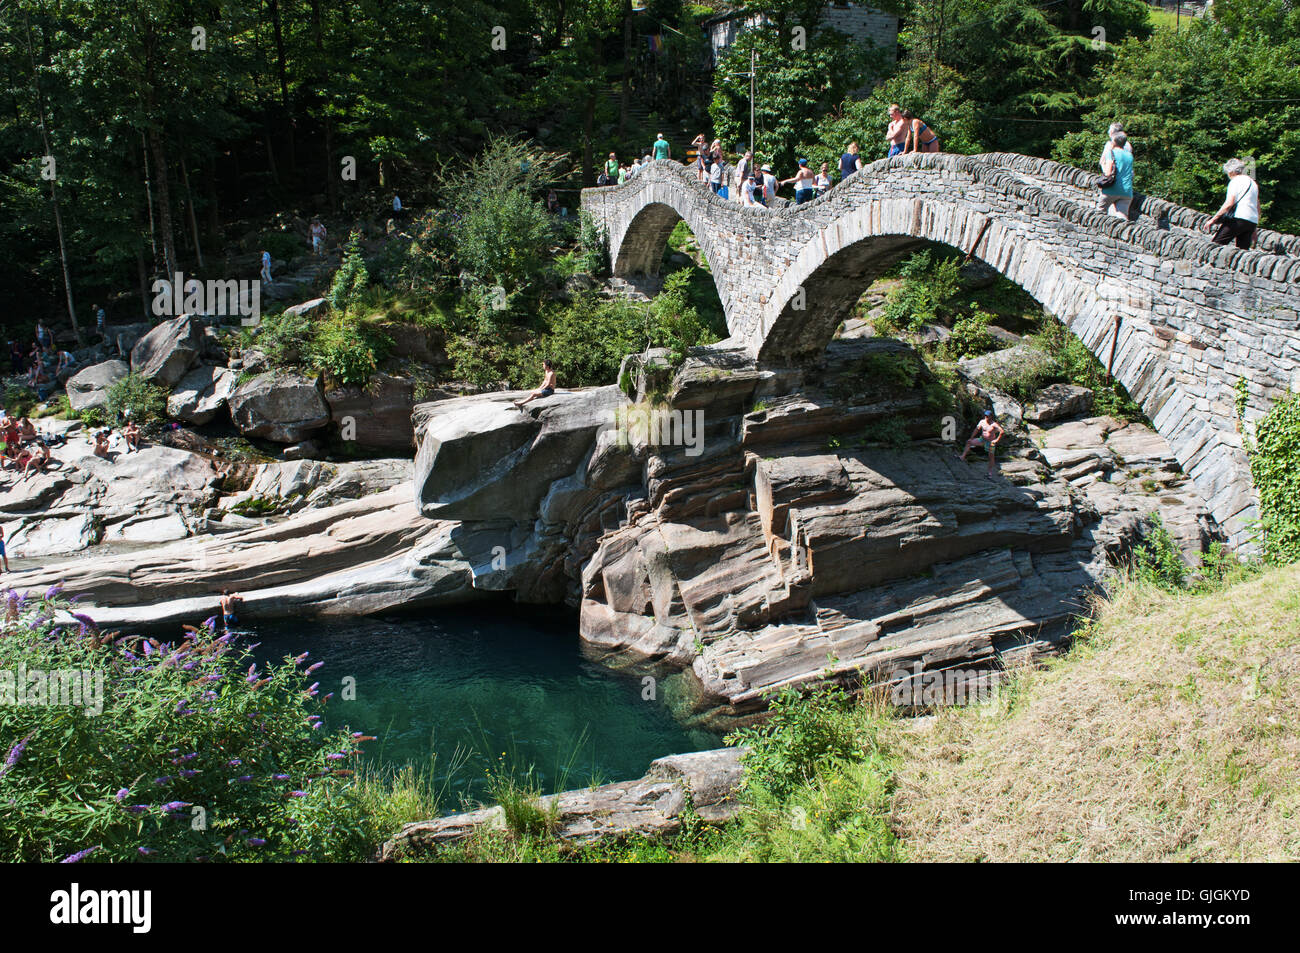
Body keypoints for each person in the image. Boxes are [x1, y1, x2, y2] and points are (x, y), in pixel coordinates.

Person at [1205, 158, 1260, 250]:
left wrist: (1213, 219)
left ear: (1231, 172)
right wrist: (1254, 229)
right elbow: (1257, 207)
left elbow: (1229, 203)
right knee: (1242, 253)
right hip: (1252, 222)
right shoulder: (1253, 183)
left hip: (1238, 218)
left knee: (1215, 247)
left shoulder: (1235, 181)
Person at [1097, 131, 1134, 220]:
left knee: (1099, 215)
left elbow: (1108, 172)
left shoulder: (1111, 153)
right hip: (1127, 191)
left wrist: (1104, 166)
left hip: (1111, 189)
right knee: (1122, 218)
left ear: (1114, 142)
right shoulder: (1130, 155)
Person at [957, 410, 1004, 479]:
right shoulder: (982, 422)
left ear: (991, 416)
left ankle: (990, 472)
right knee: (969, 442)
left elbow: (1002, 431)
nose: (986, 417)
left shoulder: (993, 424)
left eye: (987, 416)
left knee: (991, 457)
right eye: (985, 415)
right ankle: (962, 456)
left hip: (990, 442)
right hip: (982, 440)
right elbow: (976, 429)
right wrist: (971, 438)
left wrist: (996, 440)